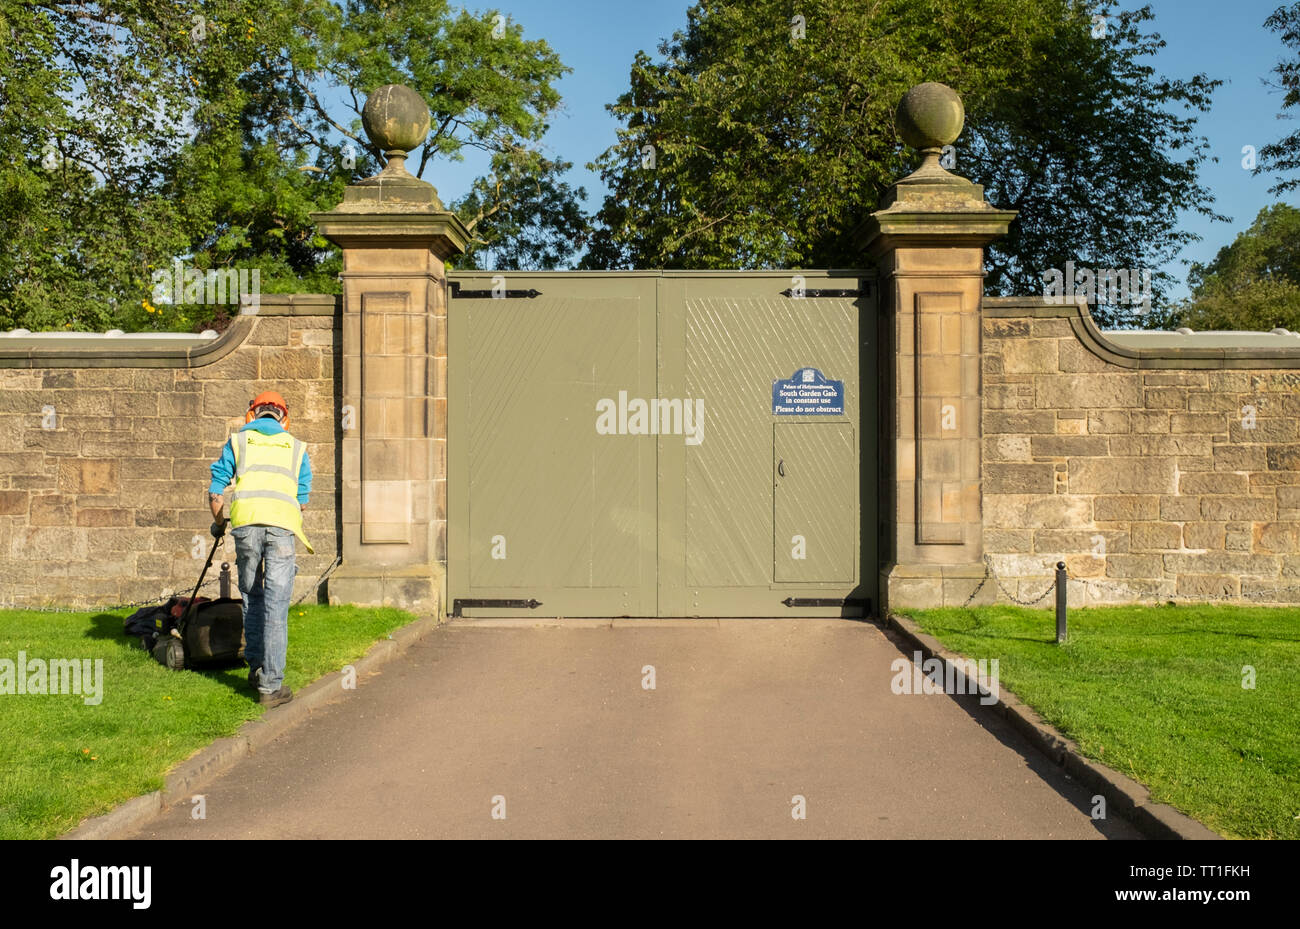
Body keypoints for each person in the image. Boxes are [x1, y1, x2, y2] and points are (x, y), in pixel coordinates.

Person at [208, 390, 313, 707]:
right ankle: (270, 687)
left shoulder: (238, 442)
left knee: (252, 597)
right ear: (284, 417)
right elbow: (302, 501)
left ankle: (255, 670)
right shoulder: (297, 449)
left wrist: (219, 524)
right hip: (281, 529)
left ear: (251, 415)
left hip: (245, 527)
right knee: (276, 606)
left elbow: (216, 492)